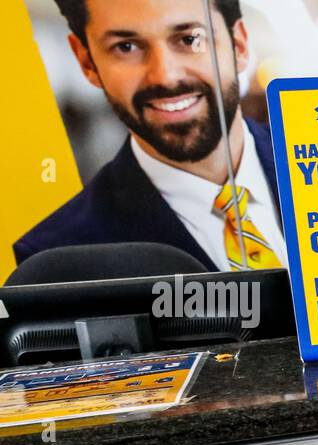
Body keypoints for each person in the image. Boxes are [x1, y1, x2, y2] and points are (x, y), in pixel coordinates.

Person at [15, 0, 286, 273]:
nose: (165, 76)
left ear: (238, 44)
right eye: (126, 47)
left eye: (190, 39)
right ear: (87, 62)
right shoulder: (59, 260)